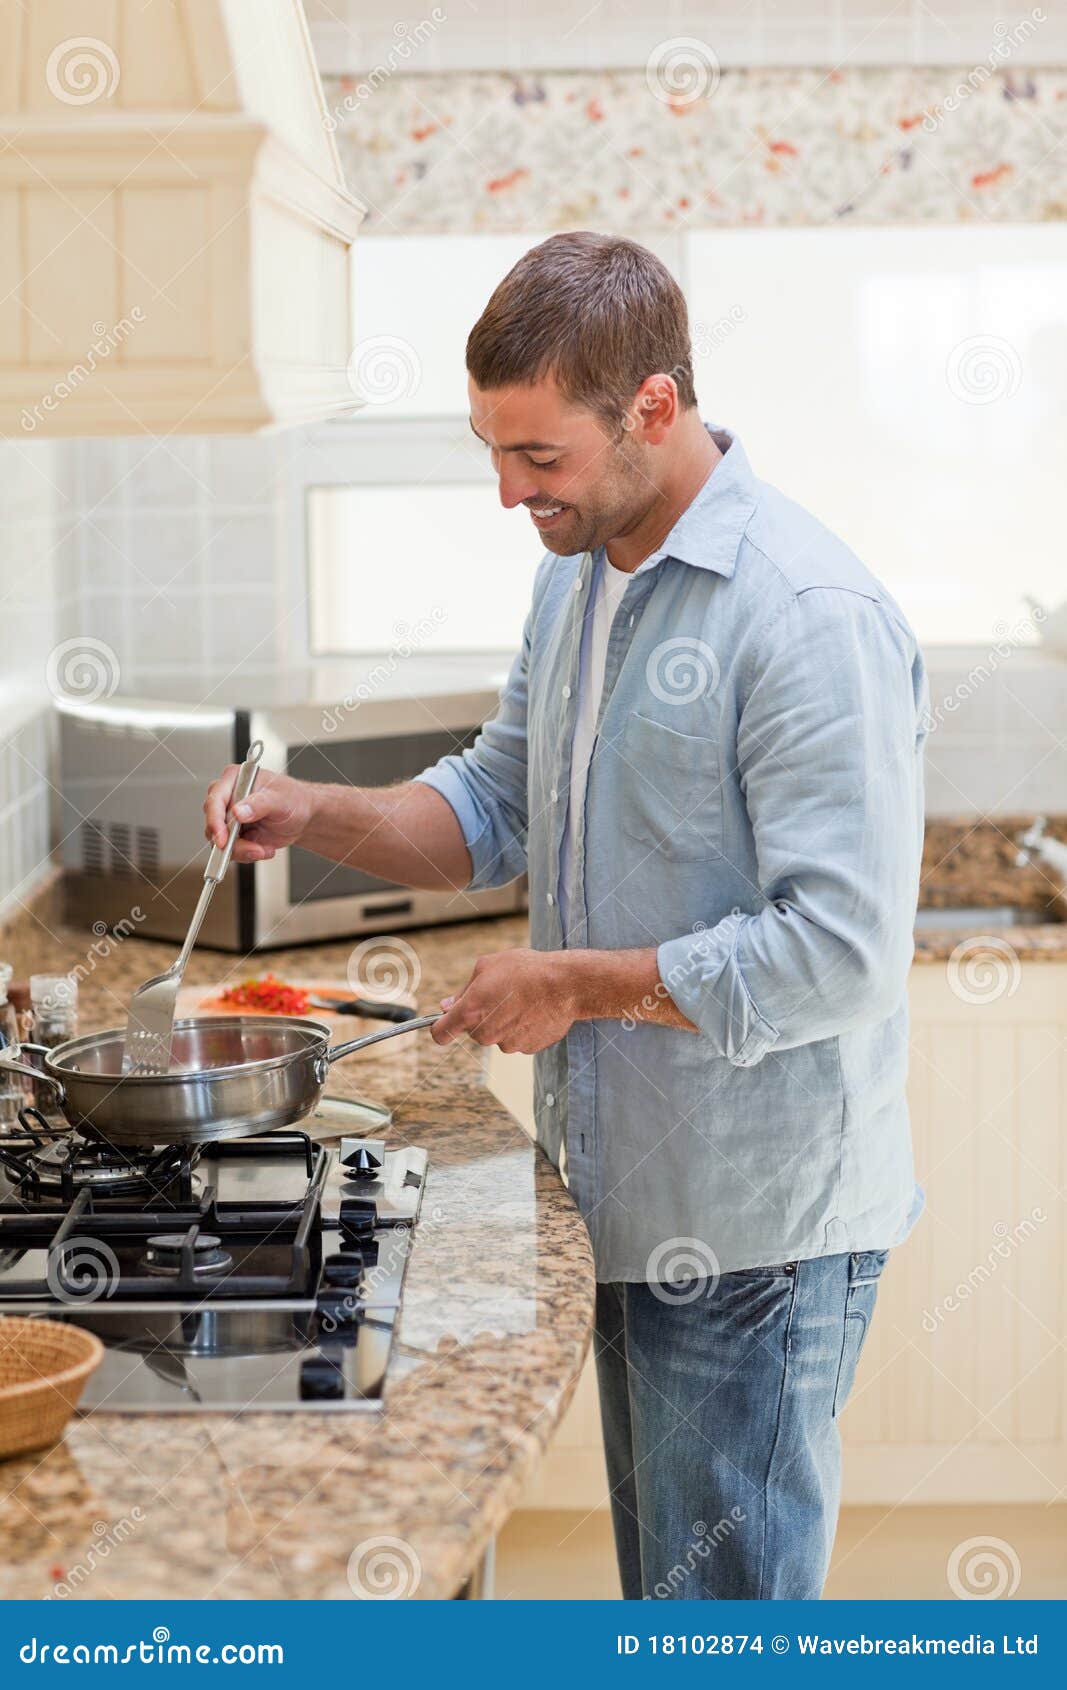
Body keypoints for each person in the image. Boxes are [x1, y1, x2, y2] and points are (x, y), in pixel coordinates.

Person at [204, 232, 926, 1601]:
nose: (508, 492)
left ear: (654, 405)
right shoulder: (582, 570)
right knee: (670, 1610)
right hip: (621, 1194)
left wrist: (576, 984)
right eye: (492, 451)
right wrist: (312, 808)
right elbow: (497, 801)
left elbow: (840, 955)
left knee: (722, 1632)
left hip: (754, 1228)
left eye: (539, 456)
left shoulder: (805, 615)